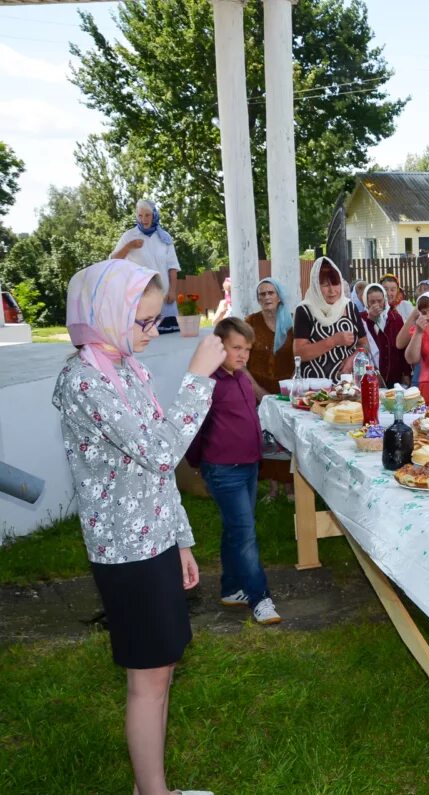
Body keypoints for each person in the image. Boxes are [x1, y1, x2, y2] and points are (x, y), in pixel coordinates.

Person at [53, 259, 226, 795]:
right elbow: (160, 451)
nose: (153, 332)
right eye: (144, 321)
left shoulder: (123, 365)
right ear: (103, 317)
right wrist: (198, 377)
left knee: (162, 667)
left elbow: (156, 474)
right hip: (124, 554)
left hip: (152, 542)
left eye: (157, 319)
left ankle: (152, 789)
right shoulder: (84, 380)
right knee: (148, 679)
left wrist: (181, 540)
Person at [187, 317, 283, 625]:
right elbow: (195, 426)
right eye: (236, 348)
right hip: (223, 470)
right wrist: (197, 463)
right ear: (219, 347)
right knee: (245, 534)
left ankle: (231, 588)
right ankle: (260, 597)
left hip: (249, 466)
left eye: (247, 349)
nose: (242, 355)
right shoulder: (208, 382)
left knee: (236, 529)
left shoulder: (241, 378)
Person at [245, 277, 295, 498]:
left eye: (270, 293)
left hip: (286, 389)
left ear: (279, 296)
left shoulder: (292, 323)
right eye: (262, 294)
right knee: (266, 436)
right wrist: (257, 391)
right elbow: (241, 362)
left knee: (286, 436)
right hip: (257, 388)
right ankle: (274, 488)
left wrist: (291, 388)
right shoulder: (250, 323)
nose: (266, 297)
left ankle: (291, 486)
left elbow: (300, 357)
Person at [111, 199, 182, 333]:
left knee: (170, 340)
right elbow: (113, 260)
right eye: (140, 215)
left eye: (147, 215)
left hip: (164, 297)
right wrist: (129, 246)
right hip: (140, 298)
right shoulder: (129, 236)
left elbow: (172, 266)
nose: (144, 219)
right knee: (144, 337)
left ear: (154, 215)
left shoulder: (165, 238)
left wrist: (172, 291)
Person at [293, 257, 363, 380]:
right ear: (315, 286)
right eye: (325, 285)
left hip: (348, 385)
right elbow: (299, 353)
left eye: (336, 284)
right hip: (314, 388)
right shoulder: (305, 310)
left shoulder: (350, 307)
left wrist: (353, 359)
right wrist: (334, 341)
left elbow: (364, 345)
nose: (332, 290)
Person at [361, 283, 410, 388]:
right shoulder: (361, 319)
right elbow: (367, 344)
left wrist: (406, 373)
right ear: (366, 302)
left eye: (379, 301)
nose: (376, 305)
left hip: (394, 375)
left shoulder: (395, 318)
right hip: (371, 377)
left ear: (385, 300)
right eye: (372, 302)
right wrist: (370, 320)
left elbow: (403, 346)